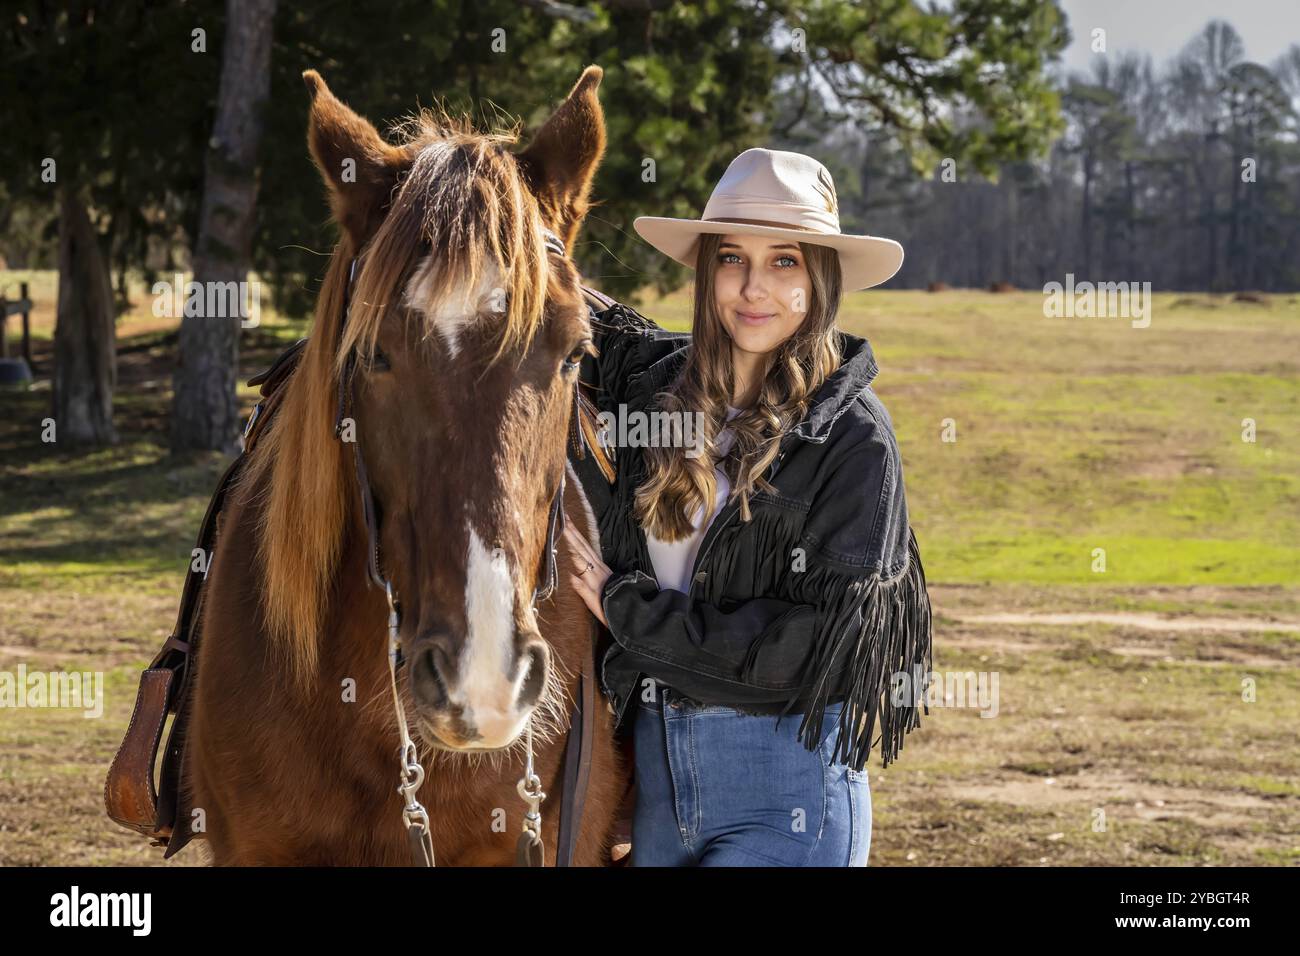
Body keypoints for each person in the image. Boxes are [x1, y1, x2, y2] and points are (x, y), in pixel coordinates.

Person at [563, 147, 933, 867]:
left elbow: (818, 646)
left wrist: (629, 612)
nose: (752, 287)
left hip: (784, 798)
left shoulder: (854, 440)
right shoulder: (653, 396)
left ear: (820, 278)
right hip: (656, 798)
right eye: (732, 258)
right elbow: (545, 315)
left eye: (784, 262)